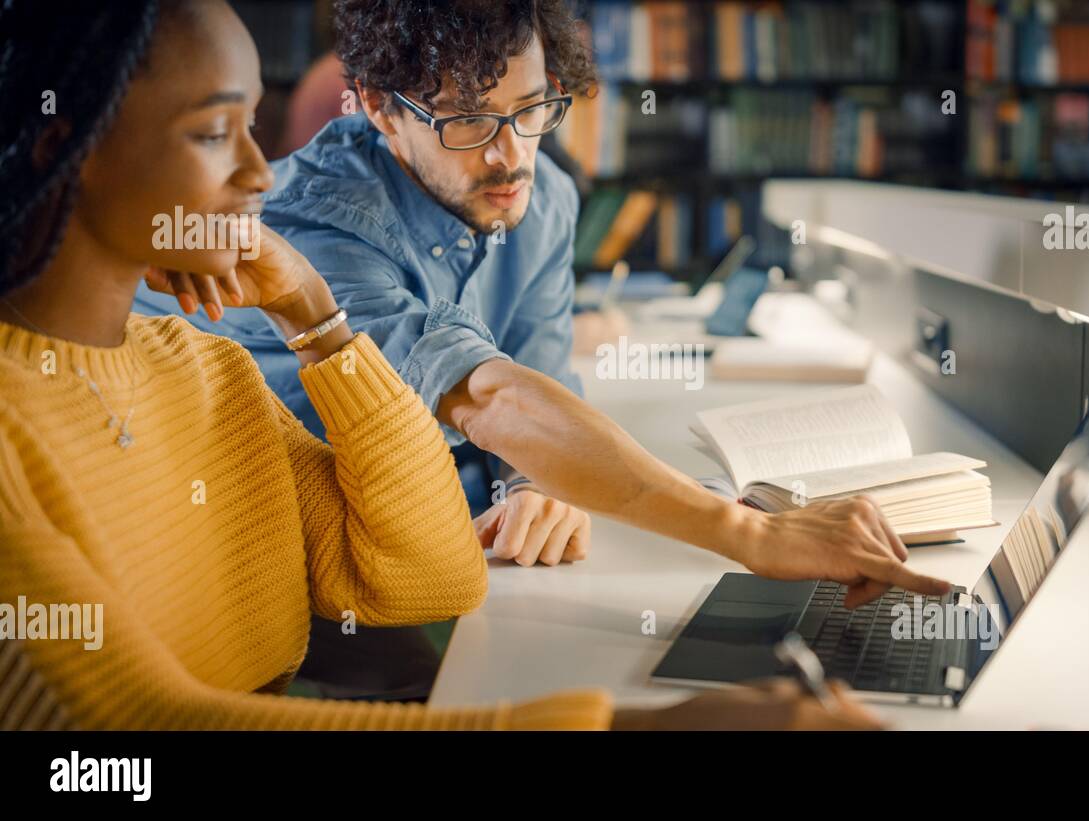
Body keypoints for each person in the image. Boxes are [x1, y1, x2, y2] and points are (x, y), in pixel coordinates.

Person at [0, 0, 884, 730]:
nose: (259, 174)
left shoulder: (198, 368)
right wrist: (649, 721)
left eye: (533, 109)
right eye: (213, 132)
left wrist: (317, 317)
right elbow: (143, 742)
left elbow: (430, 570)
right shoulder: (23, 433)